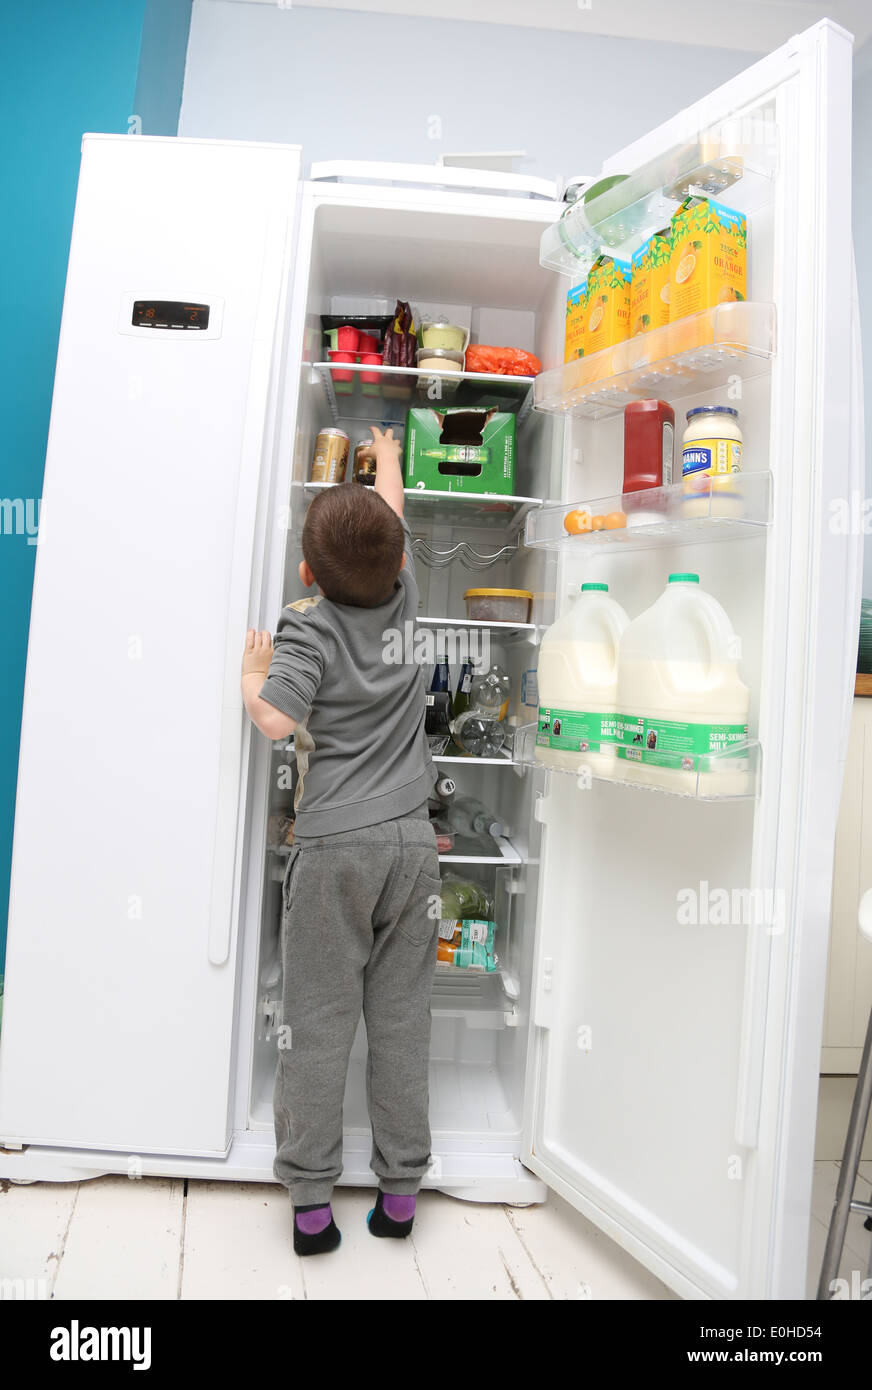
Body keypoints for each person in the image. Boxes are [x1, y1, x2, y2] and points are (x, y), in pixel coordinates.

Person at [240, 426, 439, 1255]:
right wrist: (388, 456)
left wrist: (252, 675)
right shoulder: (405, 598)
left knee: (317, 1024)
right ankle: (400, 1198)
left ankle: (312, 1207)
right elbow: (390, 522)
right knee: (401, 1021)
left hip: (334, 854)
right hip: (412, 850)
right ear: (398, 563)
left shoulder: (305, 628)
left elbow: (278, 720)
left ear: (305, 574)